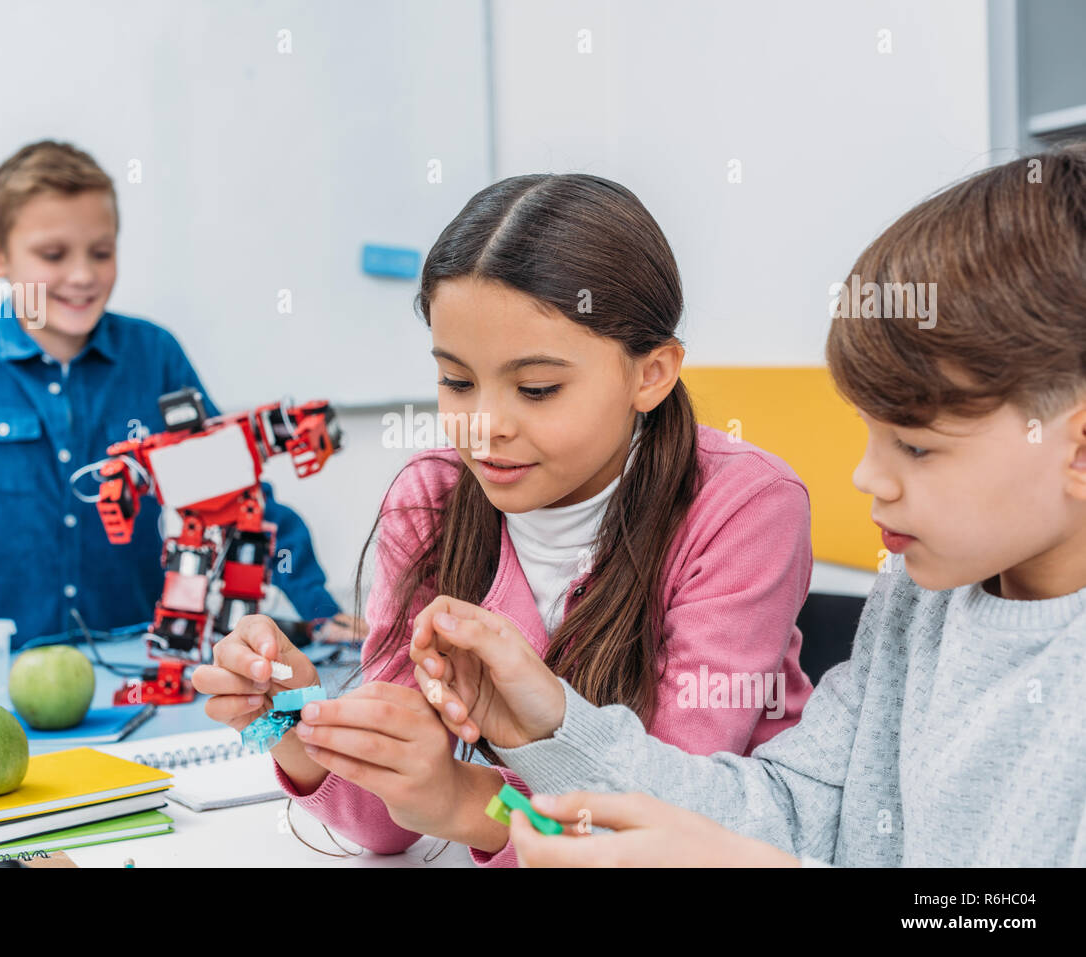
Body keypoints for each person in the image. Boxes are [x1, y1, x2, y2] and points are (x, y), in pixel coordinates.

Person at [410, 146, 1086, 866]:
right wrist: (552, 726)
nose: (867, 477)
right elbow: (796, 808)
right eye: (869, 432)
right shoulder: (923, 597)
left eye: (916, 447)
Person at [196, 173, 815, 866]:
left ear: (653, 373)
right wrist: (289, 716)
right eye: (457, 381)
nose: (483, 428)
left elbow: (655, 827)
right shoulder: (431, 496)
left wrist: (467, 799)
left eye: (537, 389)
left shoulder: (746, 508)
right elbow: (389, 819)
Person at [0, 140, 361, 649]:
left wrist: (314, 601)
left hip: (131, 656)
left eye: (100, 253)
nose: (81, 276)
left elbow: (233, 491)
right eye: (53, 255)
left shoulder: (153, 355)